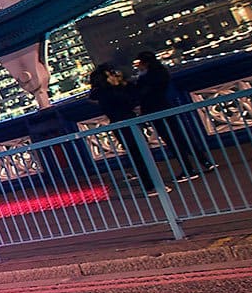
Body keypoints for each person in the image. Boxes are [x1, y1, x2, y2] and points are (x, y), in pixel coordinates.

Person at [133, 50, 214, 179]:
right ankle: (205, 162)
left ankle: (188, 169)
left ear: (145, 63)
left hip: (154, 111)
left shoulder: (146, 77)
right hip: (167, 107)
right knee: (181, 137)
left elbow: (141, 93)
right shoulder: (161, 72)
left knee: (172, 141)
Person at [88, 63, 158, 192]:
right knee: (141, 154)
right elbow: (130, 99)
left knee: (137, 155)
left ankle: (149, 183)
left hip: (119, 125)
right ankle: (151, 184)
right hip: (127, 122)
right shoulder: (111, 92)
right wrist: (120, 86)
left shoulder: (101, 93)